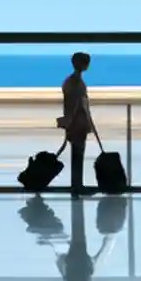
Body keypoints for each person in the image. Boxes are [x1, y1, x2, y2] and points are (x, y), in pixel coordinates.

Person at [59, 51, 97, 198]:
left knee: (78, 155)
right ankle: (77, 185)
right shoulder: (74, 82)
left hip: (77, 122)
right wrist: (73, 122)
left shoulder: (72, 81)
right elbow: (76, 105)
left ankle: (77, 184)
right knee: (78, 154)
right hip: (77, 123)